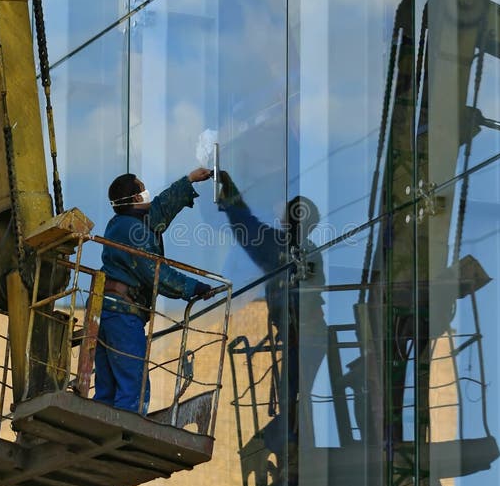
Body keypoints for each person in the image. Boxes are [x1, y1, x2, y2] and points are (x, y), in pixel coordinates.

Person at [218, 171, 326, 451]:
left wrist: (230, 198)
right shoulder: (309, 249)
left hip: (301, 335)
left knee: (293, 393)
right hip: (309, 334)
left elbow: (248, 227)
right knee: (296, 392)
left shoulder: (281, 247)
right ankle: (294, 441)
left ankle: (293, 443)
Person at [94, 168, 213, 413]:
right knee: (133, 388)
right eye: (143, 188)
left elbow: (159, 210)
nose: (147, 194)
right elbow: (157, 273)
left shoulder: (124, 224)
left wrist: (188, 180)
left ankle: (99, 433)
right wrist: (194, 287)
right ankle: (126, 435)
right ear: (137, 198)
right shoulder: (134, 231)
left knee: (107, 389)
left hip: (107, 310)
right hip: (123, 314)